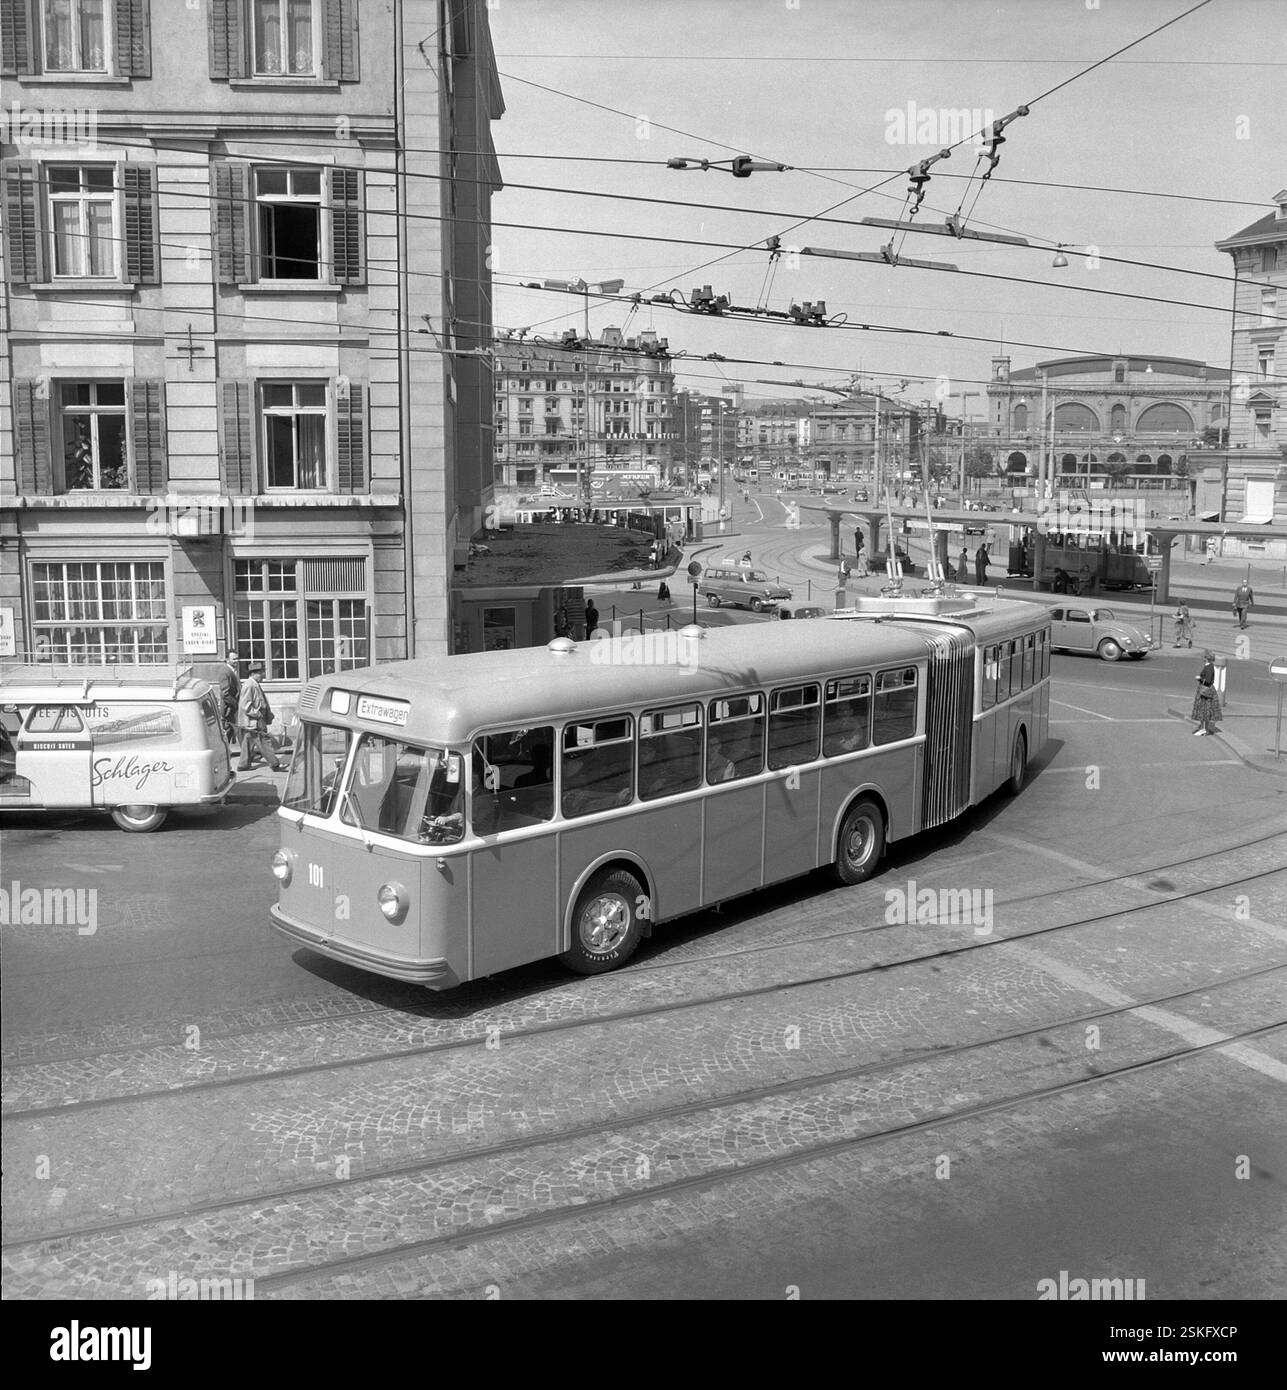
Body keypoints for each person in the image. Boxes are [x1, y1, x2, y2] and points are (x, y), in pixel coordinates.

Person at [236, 661, 286, 771]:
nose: (263, 675)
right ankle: (275, 764)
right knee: (263, 742)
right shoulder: (249, 685)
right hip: (254, 720)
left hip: (253, 720)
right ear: (254, 674)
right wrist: (258, 715)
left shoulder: (253, 684)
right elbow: (246, 705)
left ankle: (243, 765)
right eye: (261, 673)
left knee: (248, 742)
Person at [1191, 650, 1222, 736]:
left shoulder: (1209, 667)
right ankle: (1203, 728)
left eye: (1203, 656)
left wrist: (1199, 678)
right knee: (1205, 710)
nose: (1202, 658)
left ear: (1206, 658)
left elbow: (1208, 681)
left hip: (1205, 691)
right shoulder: (1210, 666)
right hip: (1206, 690)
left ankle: (1204, 729)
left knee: (1204, 710)